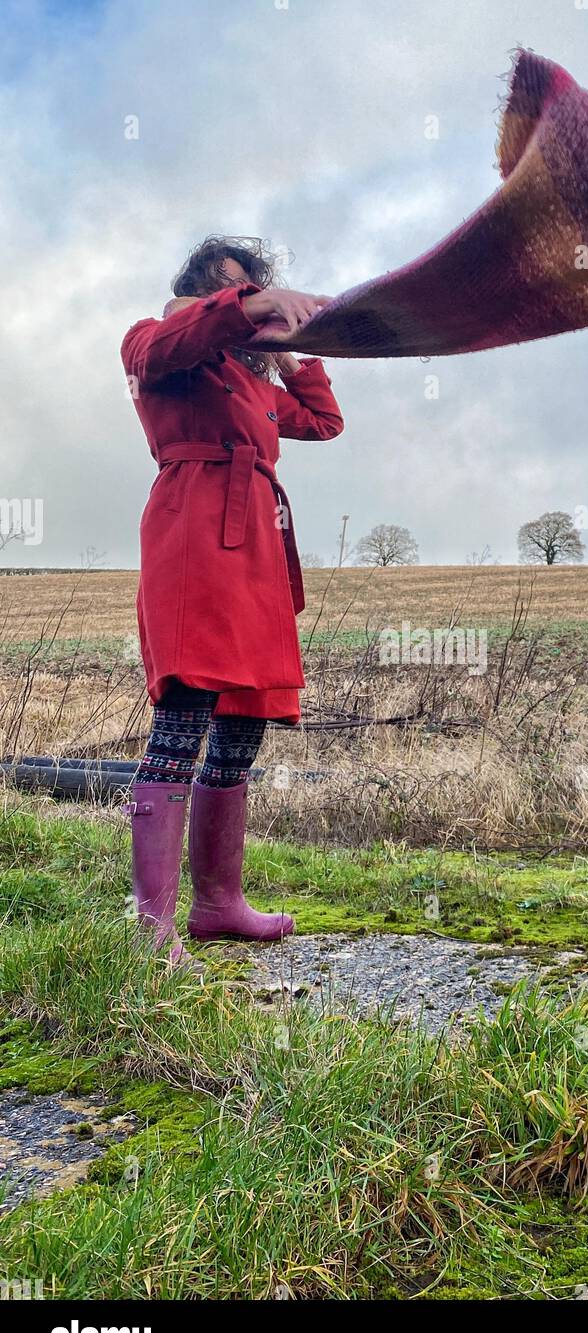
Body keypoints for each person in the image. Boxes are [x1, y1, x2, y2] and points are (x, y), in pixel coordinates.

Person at [120, 237, 343, 965]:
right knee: (185, 714)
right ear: (199, 292)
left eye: (255, 288)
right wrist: (248, 308)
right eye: (232, 288)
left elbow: (323, 422)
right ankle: (151, 925)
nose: (249, 300)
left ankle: (218, 904)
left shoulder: (255, 385)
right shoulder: (159, 345)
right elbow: (170, 342)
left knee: (245, 720)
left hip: (257, 539)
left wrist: (293, 355)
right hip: (193, 532)